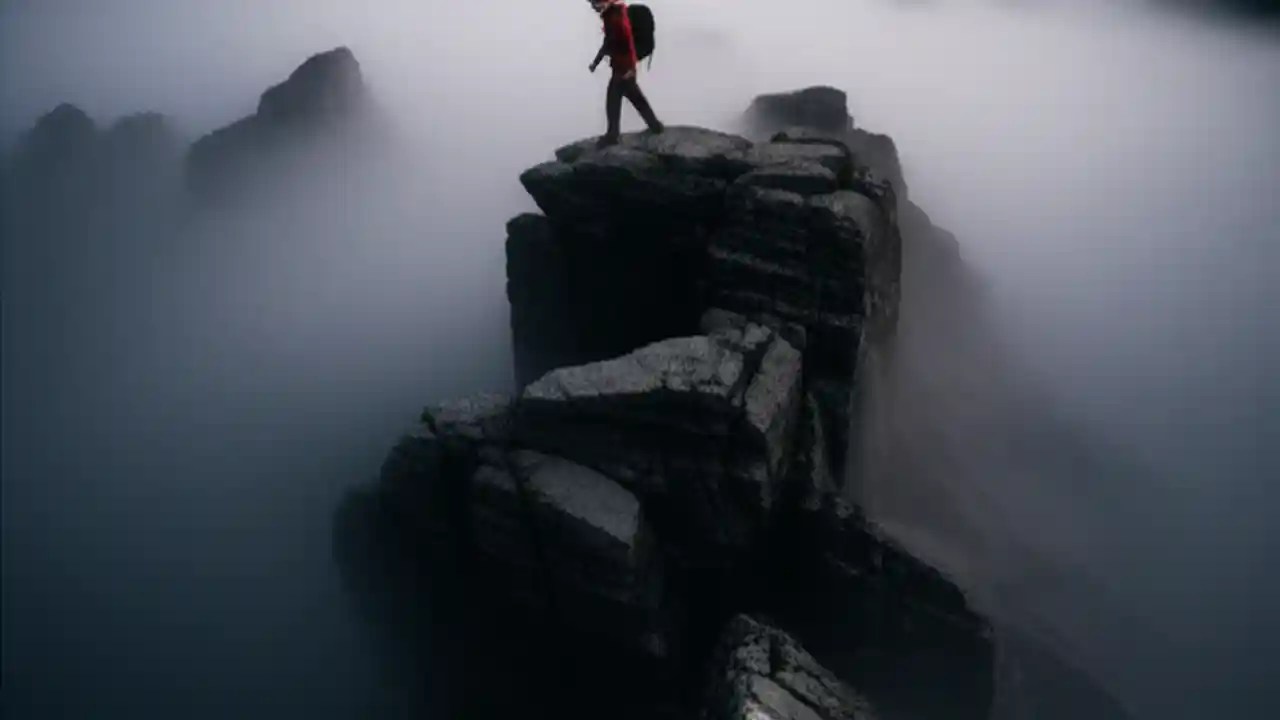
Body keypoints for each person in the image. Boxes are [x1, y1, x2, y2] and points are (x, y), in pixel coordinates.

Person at [588, 0, 663, 147]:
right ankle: (654, 125)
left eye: (596, 4)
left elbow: (628, 43)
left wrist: (631, 69)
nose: (594, 8)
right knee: (633, 94)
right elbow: (608, 42)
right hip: (621, 64)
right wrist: (595, 63)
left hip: (624, 65)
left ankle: (612, 135)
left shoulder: (617, 18)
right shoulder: (611, 16)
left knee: (614, 96)